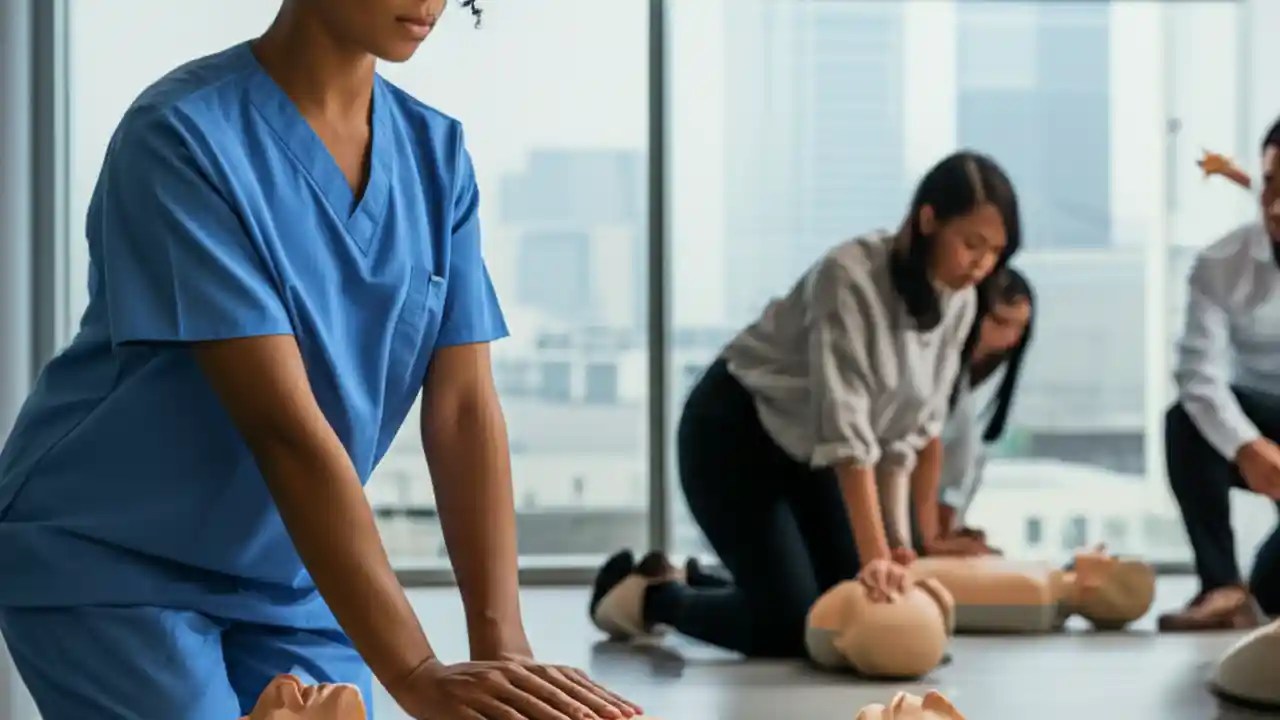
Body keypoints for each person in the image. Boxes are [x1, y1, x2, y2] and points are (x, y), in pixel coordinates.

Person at [0, 2, 639, 719]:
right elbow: (284, 431)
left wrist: (505, 650)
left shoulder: (435, 155)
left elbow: (462, 411)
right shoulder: (182, 137)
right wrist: (419, 672)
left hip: (291, 577)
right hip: (112, 562)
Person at [591, 151, 1022, 658]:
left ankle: (691, 577)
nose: (982, 263)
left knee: (842, 604)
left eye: (995, 251)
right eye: (972, 243)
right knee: (790, 626)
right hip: (734, 437)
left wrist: (897, 553)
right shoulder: (850, 276)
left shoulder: (961, 303)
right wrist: (874, 557)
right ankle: (647, 595)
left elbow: (902, 443)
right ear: (928, 220)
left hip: (810, 454)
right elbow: (848, 434)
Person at [1158, 118, 1280, 632]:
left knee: (1273, 591)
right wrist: (1246, 445)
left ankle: (1256, 588)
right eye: (1271, 183)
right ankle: (1220, 583)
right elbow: (1198, 375)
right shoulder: (1220, 263)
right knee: (1185, 420)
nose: (1274, 205)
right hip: (1260, 424)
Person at [913, 266, 1035, 556]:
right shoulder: (935, 372)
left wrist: (952, 529)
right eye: (1001, 321)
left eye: (1020, 327)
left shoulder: (964, 384)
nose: (1011, 338)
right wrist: (935, 536)